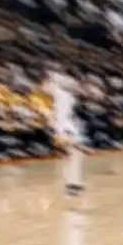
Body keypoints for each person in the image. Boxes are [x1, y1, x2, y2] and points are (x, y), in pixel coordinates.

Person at [45, 65, 85, 197]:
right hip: (62, 127)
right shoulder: (60, 93)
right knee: (73, 154)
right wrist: (52, 75)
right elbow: (47, 87)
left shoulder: (67, 96)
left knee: (73, 155)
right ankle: (71, 185)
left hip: (66, 125)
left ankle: (72, 183)